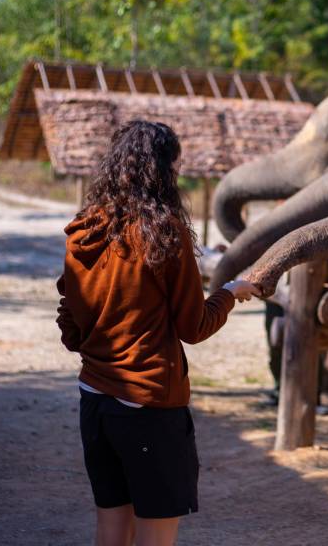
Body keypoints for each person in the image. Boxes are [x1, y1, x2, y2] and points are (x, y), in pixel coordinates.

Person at [56, 120, 259, 546]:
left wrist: (94, 344)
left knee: (110, 528)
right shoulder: (166, 234)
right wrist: (227, 294)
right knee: (156, 535)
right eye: (175, 169)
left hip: (94, 401)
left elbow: (70, 317)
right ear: (163, 172)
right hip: (149, 406)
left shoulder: (83, 230)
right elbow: (193, 326)